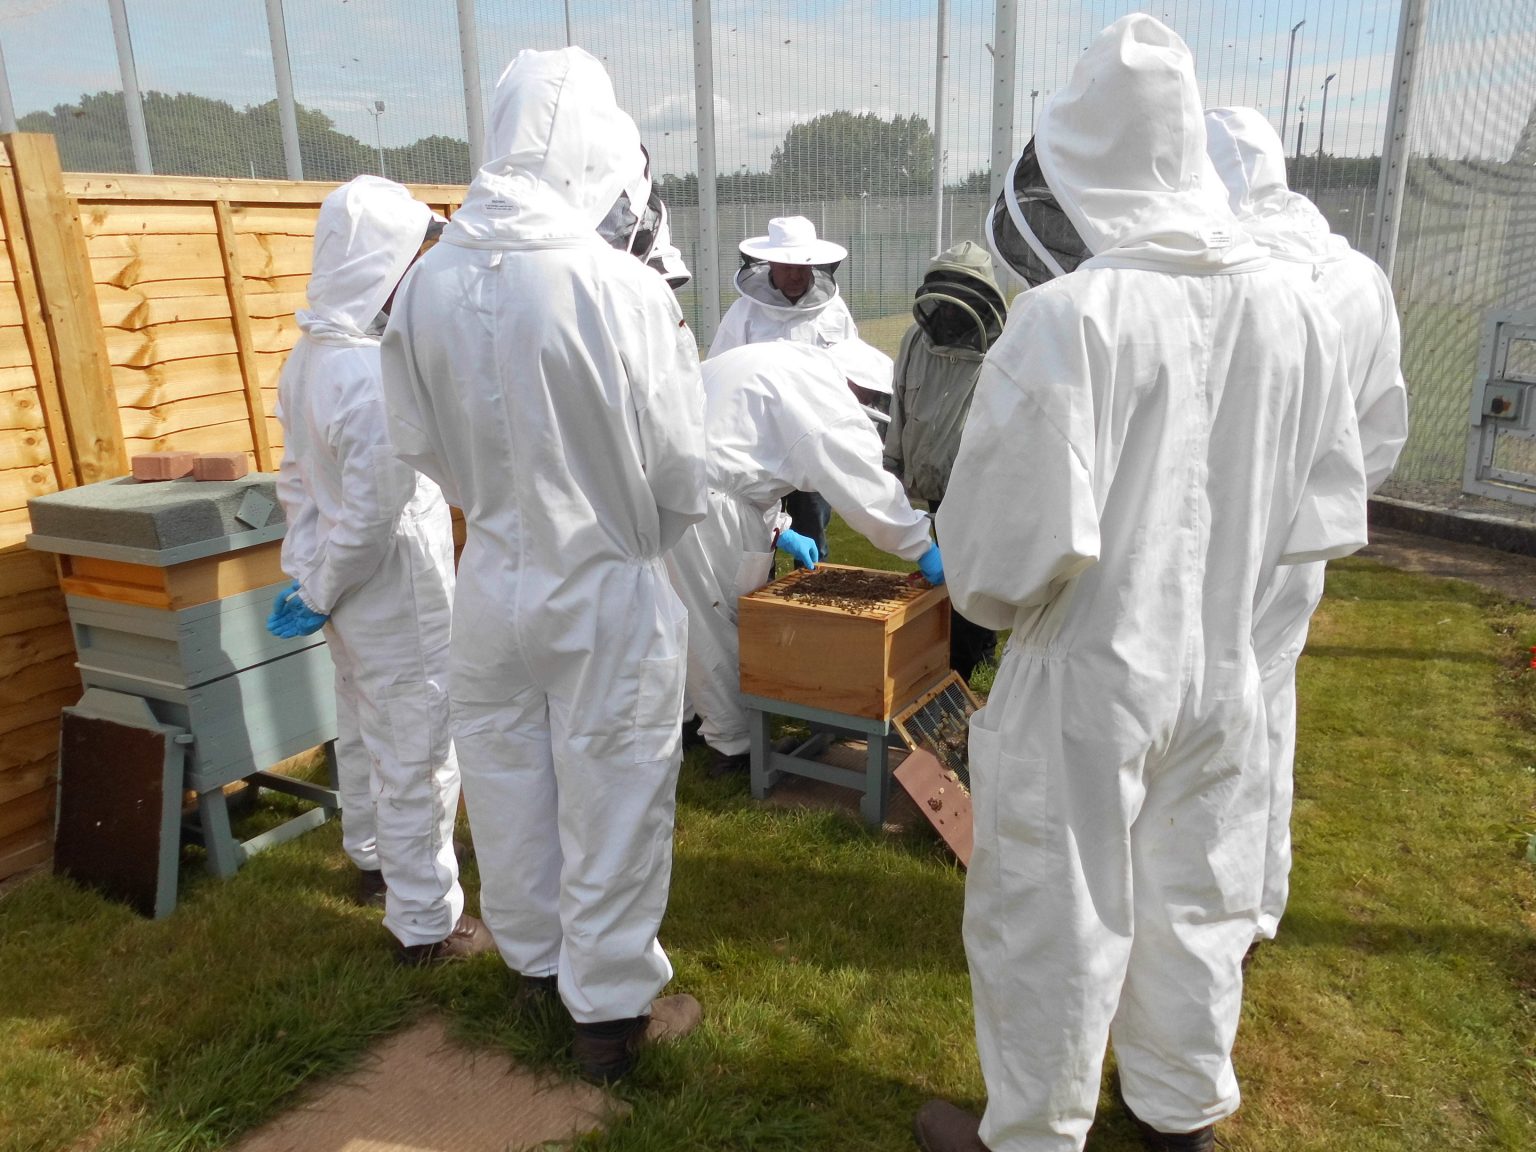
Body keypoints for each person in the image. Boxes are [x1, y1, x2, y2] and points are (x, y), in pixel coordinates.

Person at [914, 16, 1369, 1152]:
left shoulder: (1071, 319)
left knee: (1053, 911)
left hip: (1087, 670)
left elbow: (995, 566)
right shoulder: (1298, 309)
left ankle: (1034, 1135)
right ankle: (1178, 1115)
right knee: (1198, 894)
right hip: (1228, 663)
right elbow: (1321, 516)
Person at [379, 47, 708, 1085]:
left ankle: (534, 967)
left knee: (507, 774)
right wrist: (634, 535)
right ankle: (605, 1019)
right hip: (605, 577)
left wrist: (499, 509)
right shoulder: (622, 289)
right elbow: (681, 471)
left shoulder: (424, 284)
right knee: (615, 789)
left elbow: (417, 442)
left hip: (492, 577)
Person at [269, 175, 488, 966]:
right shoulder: (367, 378)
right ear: (378, 263)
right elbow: (372, 517)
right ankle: (425, 924)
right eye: (410, 260)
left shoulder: (310, 357)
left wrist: (309, 578)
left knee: (364, 730)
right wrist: (322, 582)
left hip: (347, 595)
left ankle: (370, 859)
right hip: (394, 595)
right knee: (419, 757)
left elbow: (297, 482)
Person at [1205, 105, 1409, 949]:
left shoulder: (1231, 277)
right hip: (1300, 545)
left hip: (1215, 533)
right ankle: (1255, 904)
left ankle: (1198, 911)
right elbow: (1381, 431)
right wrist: (1320, 507)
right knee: (1269, 707)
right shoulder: (1360, 277)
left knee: (1204, 713)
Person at [665, 338, 943, 776]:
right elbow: (867, 495)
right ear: (855, 386)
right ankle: (735, 748)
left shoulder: (780, 361)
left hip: (670, 485)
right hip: (708, 507)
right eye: (869, 399)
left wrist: (781, 528)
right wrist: (921, 545)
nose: (868, 407)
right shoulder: (823, 397)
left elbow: (746, 454)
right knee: (719, 621)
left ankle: (684, 721)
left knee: (680, 616)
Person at [883, 241, 1009, 682]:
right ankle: (966, 653)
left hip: (981, 486)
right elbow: (901, 401)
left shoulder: (1005, 348)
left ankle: (965, 662)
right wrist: (892, 463)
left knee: (973, 575)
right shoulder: (916, 340)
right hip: (936, 484)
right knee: (951, 571)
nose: (953, 306)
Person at [710, 216, 858, 563]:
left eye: (802, 267)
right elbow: (720, 374)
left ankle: (812, 596)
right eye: (787, 266)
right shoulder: (744, 313)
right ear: (770, 264)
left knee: (813, 534)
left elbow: (852, 369)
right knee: (755, 540)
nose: (795, 275)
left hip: (812, 441)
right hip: (756, 448)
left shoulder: (834, 312)